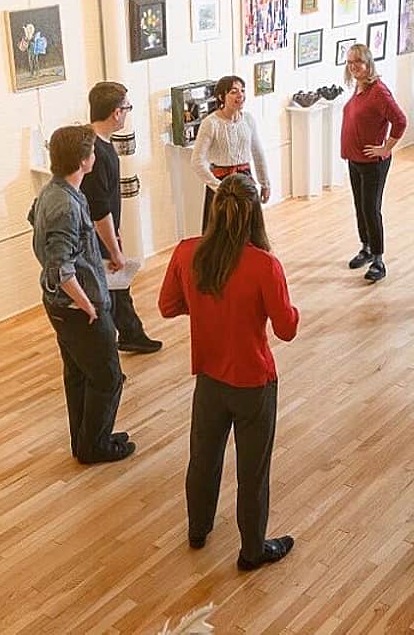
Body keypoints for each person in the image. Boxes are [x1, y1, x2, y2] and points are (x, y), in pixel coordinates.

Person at [158, 173, 299, 572]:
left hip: (209, 378)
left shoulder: (187, 253)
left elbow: (168, 306)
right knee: (253, 472)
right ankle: (252, 550)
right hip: (253, 381)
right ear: (255, 214)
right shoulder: (264, 265)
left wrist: (203, 311)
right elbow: (286, 329)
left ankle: (198, 529)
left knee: (203, 458)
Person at [28, 125, 135, 464]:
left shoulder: (52, 192)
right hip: (77, 308)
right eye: (92, 153)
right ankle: (97, 446)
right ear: (84, 160)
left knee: (78, 375)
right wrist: (88, 304)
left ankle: (86, 442)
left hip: (61, 305)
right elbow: (61, 267)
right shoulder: (67, 205)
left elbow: (36, 222)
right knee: (108, 377)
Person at [81, 81, 162, 355]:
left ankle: (130, 333)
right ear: (116, 113)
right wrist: (114, 249)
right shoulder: (96, 153)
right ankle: (115, 346)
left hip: (105, 232)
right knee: (106, 293)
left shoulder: (97, 145)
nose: (126, 113)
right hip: (96, 237)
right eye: (126, 108)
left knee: (117, 289)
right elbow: (99, 208)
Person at [341, 43, 407, 283]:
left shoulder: (378, 91)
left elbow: (400, 120)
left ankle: (379, 259)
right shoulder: (359, 89)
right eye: (350, 62)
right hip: (354, 159)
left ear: (368, 63)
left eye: (358, 61)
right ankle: (366, 248)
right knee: (360, 206)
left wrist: (386, 148)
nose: (354, 66)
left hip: (373, 163)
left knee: (371, 208)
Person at [191, 75, 270, 231]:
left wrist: (264, 183)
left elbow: (258, 152)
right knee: (221, 233)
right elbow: (197, 161)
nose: (240, 95)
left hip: (245, 182)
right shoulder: (210, 123)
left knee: (250, 231)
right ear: (222, 96)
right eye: (234, 91)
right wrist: (219, 187)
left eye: (242, 91)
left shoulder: (248, 119)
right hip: (221, 184)